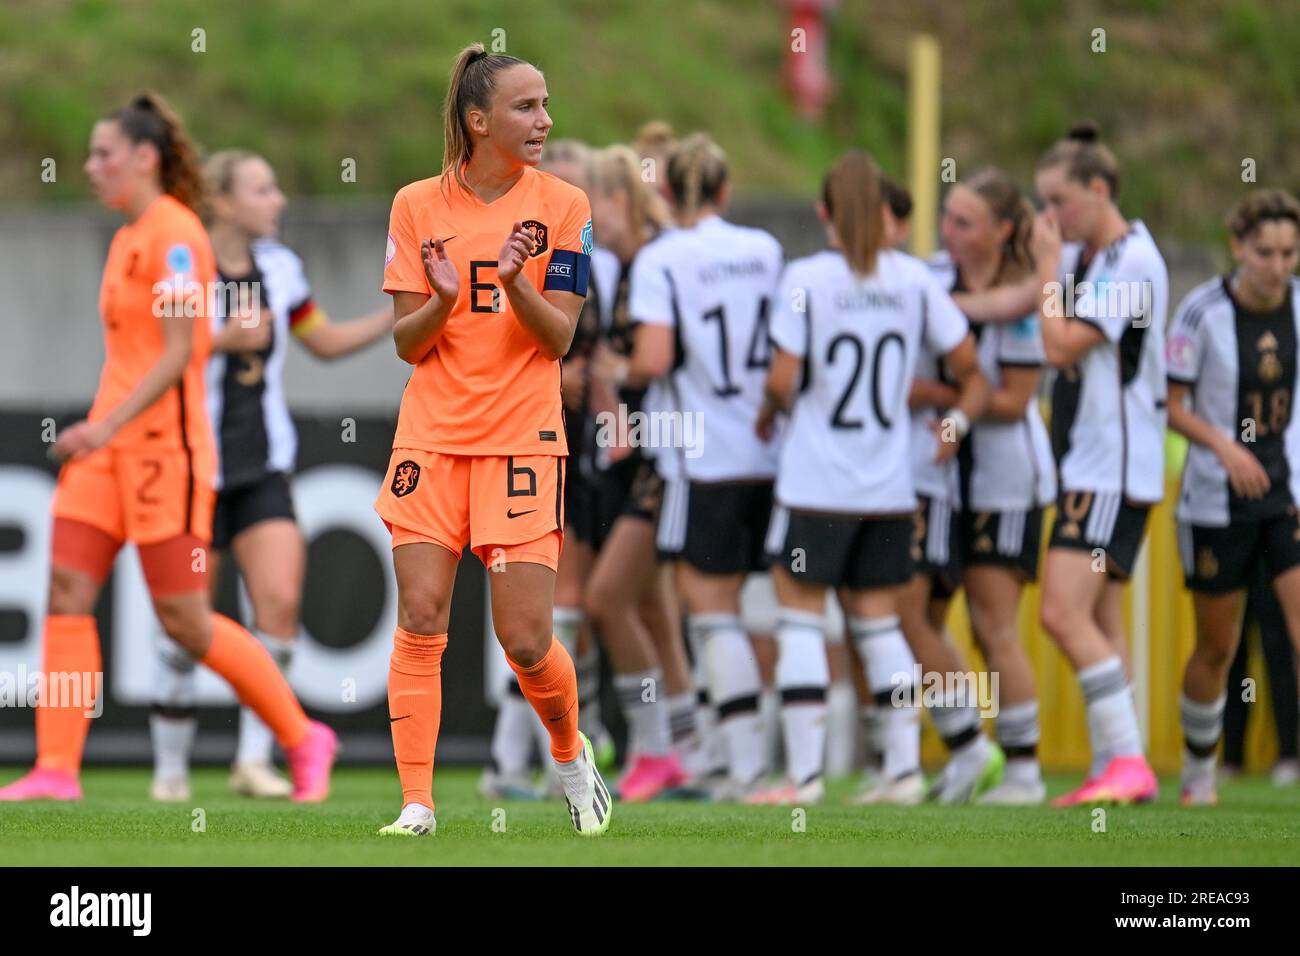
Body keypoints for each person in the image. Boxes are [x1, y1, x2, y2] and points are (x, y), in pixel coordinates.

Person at [0, 92, 336, 804]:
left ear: (144, 159)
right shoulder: (126, 237)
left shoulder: (178, 236)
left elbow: (182, 352)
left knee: (183, 620)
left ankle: (303, 737)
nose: (90, 167)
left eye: (103, 154)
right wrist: (104, 432)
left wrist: (106, 425)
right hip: (109, 448)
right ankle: (56, 769)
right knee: (66, 591)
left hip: (166, 453)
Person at [373, 44, 609, 836]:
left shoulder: (567, 206)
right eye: (527, 107)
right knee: (422, 615)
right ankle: (417, 802)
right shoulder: (416, 204)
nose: (545, 120)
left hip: (520, 441)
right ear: (479, 121)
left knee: (526, 638)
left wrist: (512, 282)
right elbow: (408, 343)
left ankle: (571, 756)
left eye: (544, 105)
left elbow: (560, 341)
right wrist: (442, 302)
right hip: (431, 439)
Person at [147, 149, 393, 801]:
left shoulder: (281, 270)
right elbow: (145, 355)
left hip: (263, 465)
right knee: (186, 621)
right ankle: (170, 771)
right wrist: (221, 342)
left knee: (279, 603)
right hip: (190, 467)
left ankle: (254, 759)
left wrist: (400, 315)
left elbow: (323, 340)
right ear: (223, 202)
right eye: (263, 189)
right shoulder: (181, 263)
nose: (279, 199)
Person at [756, 149, 988, 805]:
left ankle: (802, 779)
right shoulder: (915, 281)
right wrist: (954, 428)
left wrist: (772, 411)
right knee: (879, 625)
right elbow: (972, 374)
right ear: (885, 210)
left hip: (816, 482)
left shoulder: (807, 277)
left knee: (800, 621)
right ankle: (905, 772)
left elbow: (780, 380)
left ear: (825, 212)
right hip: (888, 488)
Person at [611, 132, 784, 799]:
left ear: (665, 193)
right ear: (725, 190)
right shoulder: (764, 250)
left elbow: (653, 360)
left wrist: (614, 371)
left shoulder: (663, 258)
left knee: (711, 608)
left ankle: (742, 768)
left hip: (705, 452)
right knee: (769, 607)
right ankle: (743, 757)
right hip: (770, 449)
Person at [1032, 122, 1168, 806]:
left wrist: (1046, 267)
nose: (1050, 219)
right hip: (1099, 466)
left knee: (1061, 612)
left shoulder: (1131, 262)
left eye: (1057, 202)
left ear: (1097, 189)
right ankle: (1117, 763)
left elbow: (1059, 347)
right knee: (1103, 622)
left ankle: (1130, 762)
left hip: (1108, 472)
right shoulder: (1099, 259)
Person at [1166, 188, 1300, 804]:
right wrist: (1226, 447)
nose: (1278, 266)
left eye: (1289, 253)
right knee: (1217, 649)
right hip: (1216, 501)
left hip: (1285, 495)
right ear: (1238, 247)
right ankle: (1199, 767)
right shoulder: (1200, 313)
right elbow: (1170, 406)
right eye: (1266, 252)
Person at [928, 168, 1056, 804]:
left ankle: (1025, 770)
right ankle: (967, 752)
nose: (948, 232)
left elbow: (1013, 399)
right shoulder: (935, 275)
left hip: (1006, 479)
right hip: (948, 480)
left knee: (992, 623)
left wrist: (943, 400)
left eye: (965, 222)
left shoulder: (1021, 301)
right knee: (925, 613)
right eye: (947, 217)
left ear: (1003, 231)